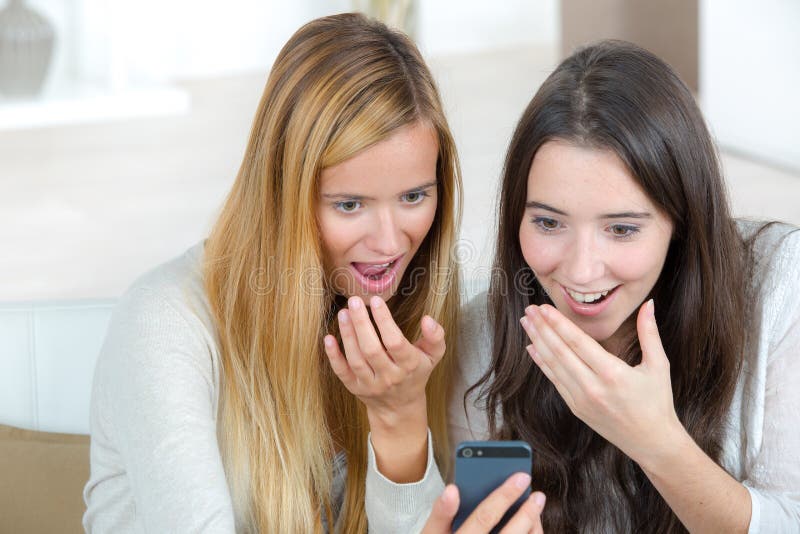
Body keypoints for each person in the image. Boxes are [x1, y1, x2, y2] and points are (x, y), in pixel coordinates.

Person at [82, 13, 467, 532]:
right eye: (349, 204)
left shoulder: (417, 318)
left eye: (414, 196)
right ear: (281, 194)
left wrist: (399, 423)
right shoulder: (165, 322)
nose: (389, 241)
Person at [419, 40, 800, 533]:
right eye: (549, 223)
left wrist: (657, 442)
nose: (580, 272)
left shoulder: (778, 286)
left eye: (622, 229)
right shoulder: (483, 340)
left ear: (681, 222)